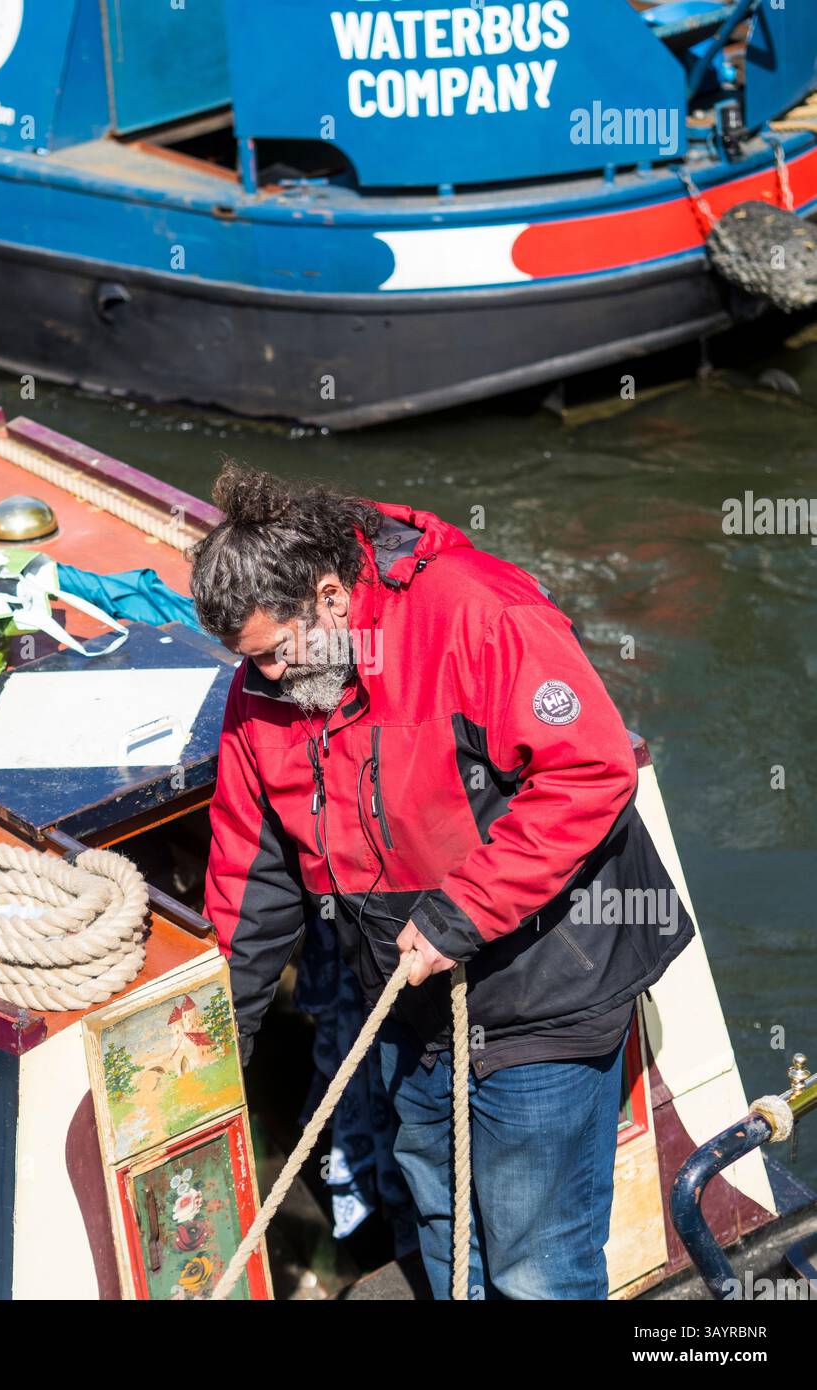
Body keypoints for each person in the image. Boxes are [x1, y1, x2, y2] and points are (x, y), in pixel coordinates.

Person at [190, 461, 694, 1301]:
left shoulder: (474, 612)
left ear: (329, 596)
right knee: (443, 1229)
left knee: (537, 1265)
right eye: (251, 663)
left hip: (546, 985)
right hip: (409, 994)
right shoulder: (264, 692)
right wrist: (224, 1039)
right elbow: (252, 871)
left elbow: (590, 772)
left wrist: (462, 913)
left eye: (276, 654)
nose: (268, 680)